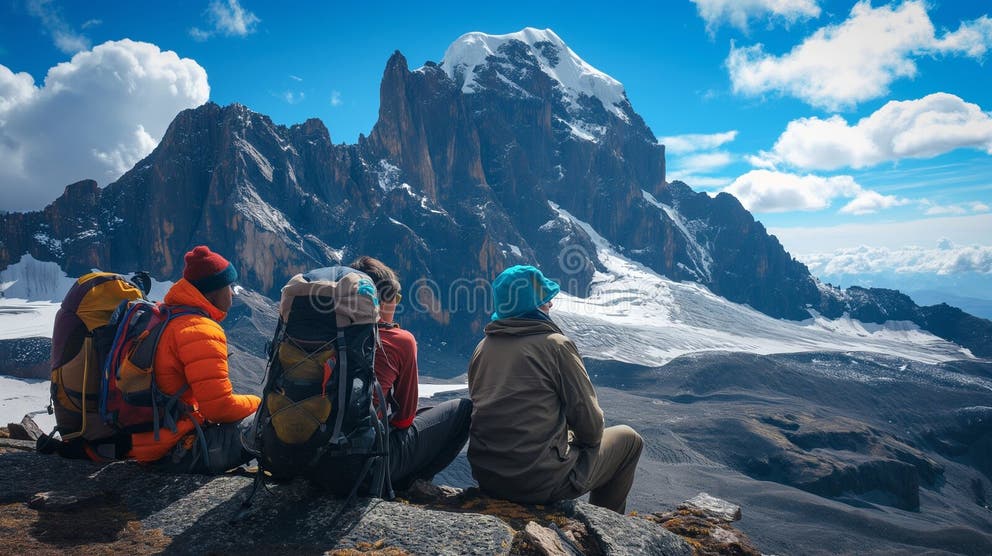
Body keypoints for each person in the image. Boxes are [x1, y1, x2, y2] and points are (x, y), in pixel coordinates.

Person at [467, 265, 643, 513]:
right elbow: (591, 428)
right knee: (629, 439)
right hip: (536, 483)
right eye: (544, 299)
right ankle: (607, 527)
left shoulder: (483, 348)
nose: (550, 305)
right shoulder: (556, 346)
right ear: (534, 305)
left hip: (488, 478)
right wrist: (570, 440)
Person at [128, 246, 261, 474]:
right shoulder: (199, 329)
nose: (233, 293)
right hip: (174, 450)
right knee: (272, 420)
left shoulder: (166, 316)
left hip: (146, 443)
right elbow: (219, 408)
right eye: (229, 287)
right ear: (212, 294)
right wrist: (259, 403)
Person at [349, 256, 472, 490]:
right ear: (383, 300)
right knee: (464, 411)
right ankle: (409, 485)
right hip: (363, 468)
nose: (396, 304)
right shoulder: (399, 341)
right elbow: (404, 419)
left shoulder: (325, 333)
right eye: (395, 298)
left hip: (311, 458)